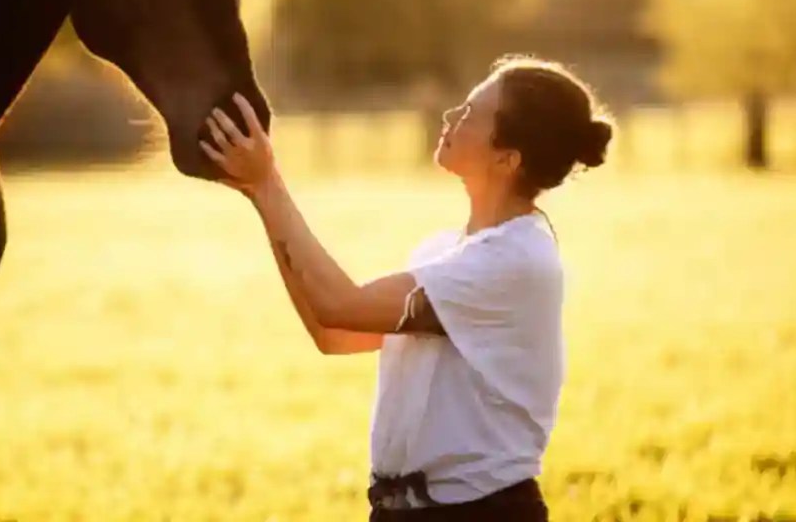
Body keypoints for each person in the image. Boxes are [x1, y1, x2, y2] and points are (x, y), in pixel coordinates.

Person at [199, 54, 614, 521]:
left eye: (471, 113)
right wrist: (259, 193)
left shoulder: (514, 260)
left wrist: (269, 181)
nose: (449, 116)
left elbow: (339, 305)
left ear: (507, 158)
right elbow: (332, 331)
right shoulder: (448, 253)